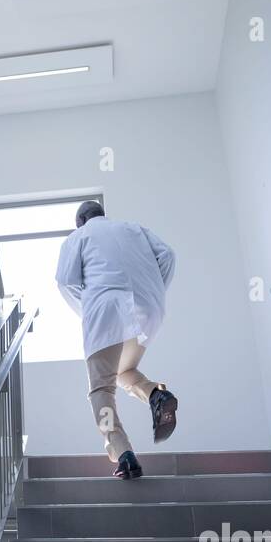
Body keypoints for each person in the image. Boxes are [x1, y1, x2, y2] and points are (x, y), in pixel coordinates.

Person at [55, 200, 178, 479]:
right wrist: (154, 292)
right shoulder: (134, 228)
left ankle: (124, 454)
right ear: (101, 214)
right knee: (124, 372)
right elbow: (168, 256)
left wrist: (89, 310)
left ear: (81, 221)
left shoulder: (78, 237)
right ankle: (156, 394)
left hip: (107, 310)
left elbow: (65, 281)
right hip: (149, 309)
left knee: (101, 389)